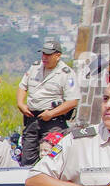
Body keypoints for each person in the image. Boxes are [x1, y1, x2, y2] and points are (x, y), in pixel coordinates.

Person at [16, 38, 79, 166]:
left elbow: (72, 101)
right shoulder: (35, 67)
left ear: (58, 55)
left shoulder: (66, 73)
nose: (45, 57)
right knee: (27, 158)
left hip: (53, 121)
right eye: (43, 54)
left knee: (51, 159)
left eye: (48, 54)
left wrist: (51, 114)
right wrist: (20, 104)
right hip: (32, 118)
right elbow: (22, 87)